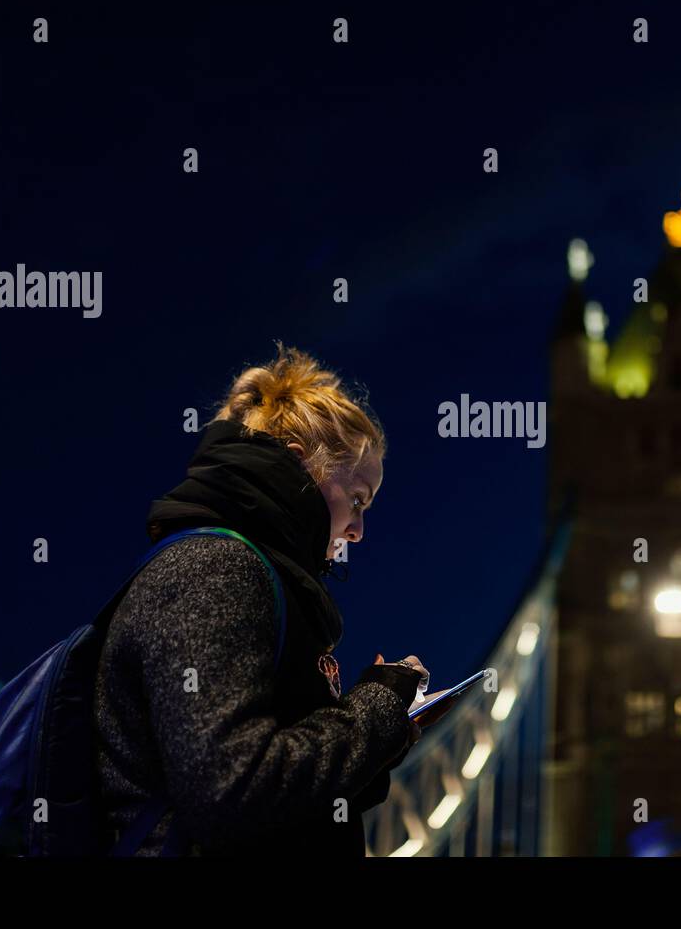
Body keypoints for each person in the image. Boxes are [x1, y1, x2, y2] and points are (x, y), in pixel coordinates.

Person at [94, 342, 451, 855]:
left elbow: (283, 790)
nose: (358, 531)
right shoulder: (212, 570)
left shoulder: (256, 576)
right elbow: (231, 789)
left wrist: (392, 728)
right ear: (300, 467)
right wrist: (376, 706)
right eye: (356, 500)